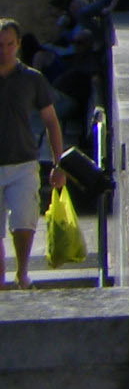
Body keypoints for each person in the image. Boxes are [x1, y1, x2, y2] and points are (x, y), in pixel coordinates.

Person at [0, 20, 67, 290]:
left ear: (18, 45)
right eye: (0, 45)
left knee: (24, 222)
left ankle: (22, 273)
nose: (4, 50)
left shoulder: (32, 79)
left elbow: (51, 121)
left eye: (9, 44)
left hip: (23, 162)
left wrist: (59, 163)